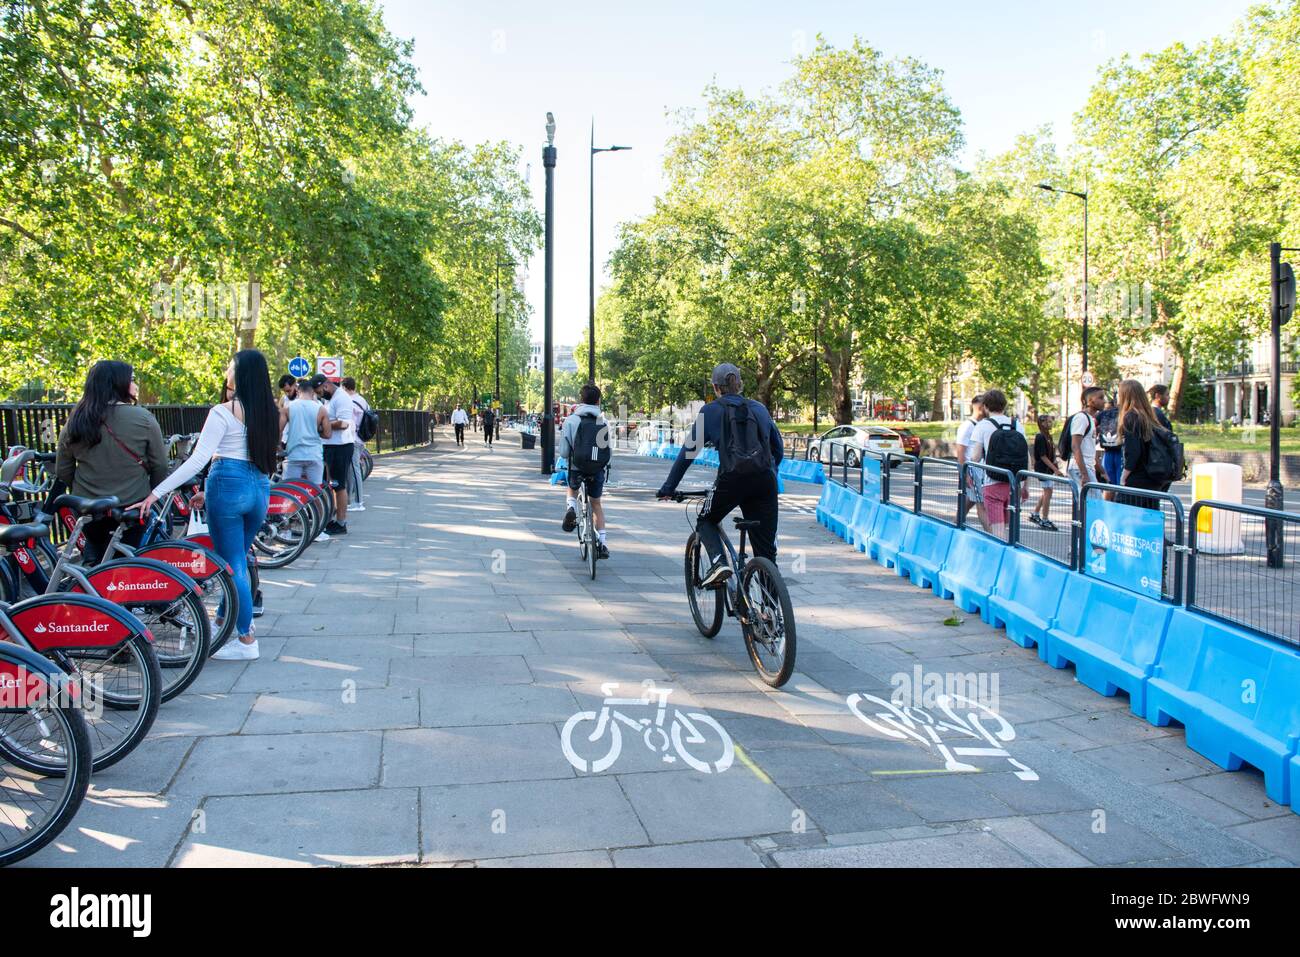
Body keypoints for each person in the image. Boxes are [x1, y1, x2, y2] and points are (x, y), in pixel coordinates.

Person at [136, 350, 283, 660]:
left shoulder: (222, 411)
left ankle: (246, 640)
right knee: (238, 560)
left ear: (240, 374)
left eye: (230, 366)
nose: (226, 371)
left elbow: (199, 460)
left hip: (227, 484)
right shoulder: (271, 411)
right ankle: (222, 622)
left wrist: (157, 492)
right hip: (259, 488)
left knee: (232, 566)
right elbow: (265, 458)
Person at [656, 363, 784, 587]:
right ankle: (769, 614)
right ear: (740, 384)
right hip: (765, 481)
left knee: (706, 520)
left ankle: (718, 563)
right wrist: (769, 473)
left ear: (716, 387)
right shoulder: (760, 409)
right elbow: (778, 449)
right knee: (766, 551)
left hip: (731, 481)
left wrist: (668, 487)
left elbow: (689, 452)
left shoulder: (710, 411)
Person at [53, 360, 171, 565]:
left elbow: (63, 470)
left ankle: (92, 589)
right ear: (120, 384)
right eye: (132, 380)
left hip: (89, 507)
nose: (135, 385)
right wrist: (150, 495)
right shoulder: (143, 418)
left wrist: (86, 489)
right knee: (127, 561)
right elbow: (160, 465)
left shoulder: (75, 420)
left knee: (97, 559)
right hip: (132, 506)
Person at [967, 389, 1028, 539]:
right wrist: (1026, 485)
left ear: (985, 407)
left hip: (992, 482)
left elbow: (975, 457)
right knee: (1008, 527)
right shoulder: (1017, 425)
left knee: (997, 530)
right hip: (1014, 482)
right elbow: (1026, 456)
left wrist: (967, 469)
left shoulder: (982, 426)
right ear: (1005, 405)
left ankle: (999, 559)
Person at [559, 384, 611, 558]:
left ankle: (571, 507)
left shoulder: (571, 421)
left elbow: (564, 452)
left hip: (577, 467)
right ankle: (602, 544)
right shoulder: (603, 422)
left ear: (581, 400)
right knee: (596, 504)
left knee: (572, 488)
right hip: (597, 468)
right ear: (598, 401)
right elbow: (608, 451)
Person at [1116, 379, 1169, 509]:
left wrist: (1124, 476)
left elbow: (1134, 451)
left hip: (1137, 477)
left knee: (1125, 515)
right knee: (1149, 518)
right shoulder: (1149, 416)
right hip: (1153, 475)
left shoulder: (1131, 417)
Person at [312, 374, 355, 535]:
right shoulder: (330, 399)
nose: (319, 396)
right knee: (329, 485)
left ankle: (341, 522)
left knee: (339, 485)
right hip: (330, 446)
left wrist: (323, 426)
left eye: (319, 392)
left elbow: (344, 423)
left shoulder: (341, 398)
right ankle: (331, 518)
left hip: (341, 446)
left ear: (326, 385)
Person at [955, 394, 989, 531]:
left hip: (981, 471)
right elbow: (960, 452)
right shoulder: (967, 426)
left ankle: (957, 524)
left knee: (971, 502)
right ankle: (991, 533)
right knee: (979, 503)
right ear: (981, 408)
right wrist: (965, 474)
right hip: (972, 472)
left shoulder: (983, 425)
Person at [1026, 414, 1063, 531]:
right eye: (1048, 422)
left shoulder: (1048, 436)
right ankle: (1045, 518)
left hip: (1049, 468)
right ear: (1042, 423)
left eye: (1051, 422)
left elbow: (1051, 455)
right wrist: (1055, 469)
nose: (1050, 424)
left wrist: (1056, 465)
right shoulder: (1040, 437)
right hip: (1043, 468)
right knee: (1048, 492)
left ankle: (1036, 513)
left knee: (1047, 491)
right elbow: (1042, 456)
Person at [1066, 386, 1105, 488]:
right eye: (1100, 398)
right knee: (1093, 502)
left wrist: (1102, 472)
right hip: (1081, 468)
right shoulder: (1081, 418)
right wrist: (1084, 474)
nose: (1104, 401)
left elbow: (1089, 449)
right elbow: (1075, 446)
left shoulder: (1090, 419)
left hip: (1086, 467)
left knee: (1088, 502)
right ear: (1090, 401)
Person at [342, 377, 369, 512]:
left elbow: (348, 422)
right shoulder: (362, 400)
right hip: (361, 438)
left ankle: (359, 502)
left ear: (345, 388)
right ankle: (351, 501)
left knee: (355, 469)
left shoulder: (350, 402)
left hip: (353, 439)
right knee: (352, 470)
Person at [1096, 394, 1122, 486]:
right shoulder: (1127, 413)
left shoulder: (1103, 413)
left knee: (1109, 484)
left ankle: (1108, 500)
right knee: (1121, 483)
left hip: (1108, 451)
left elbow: (1093, 425)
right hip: (1121, 452)